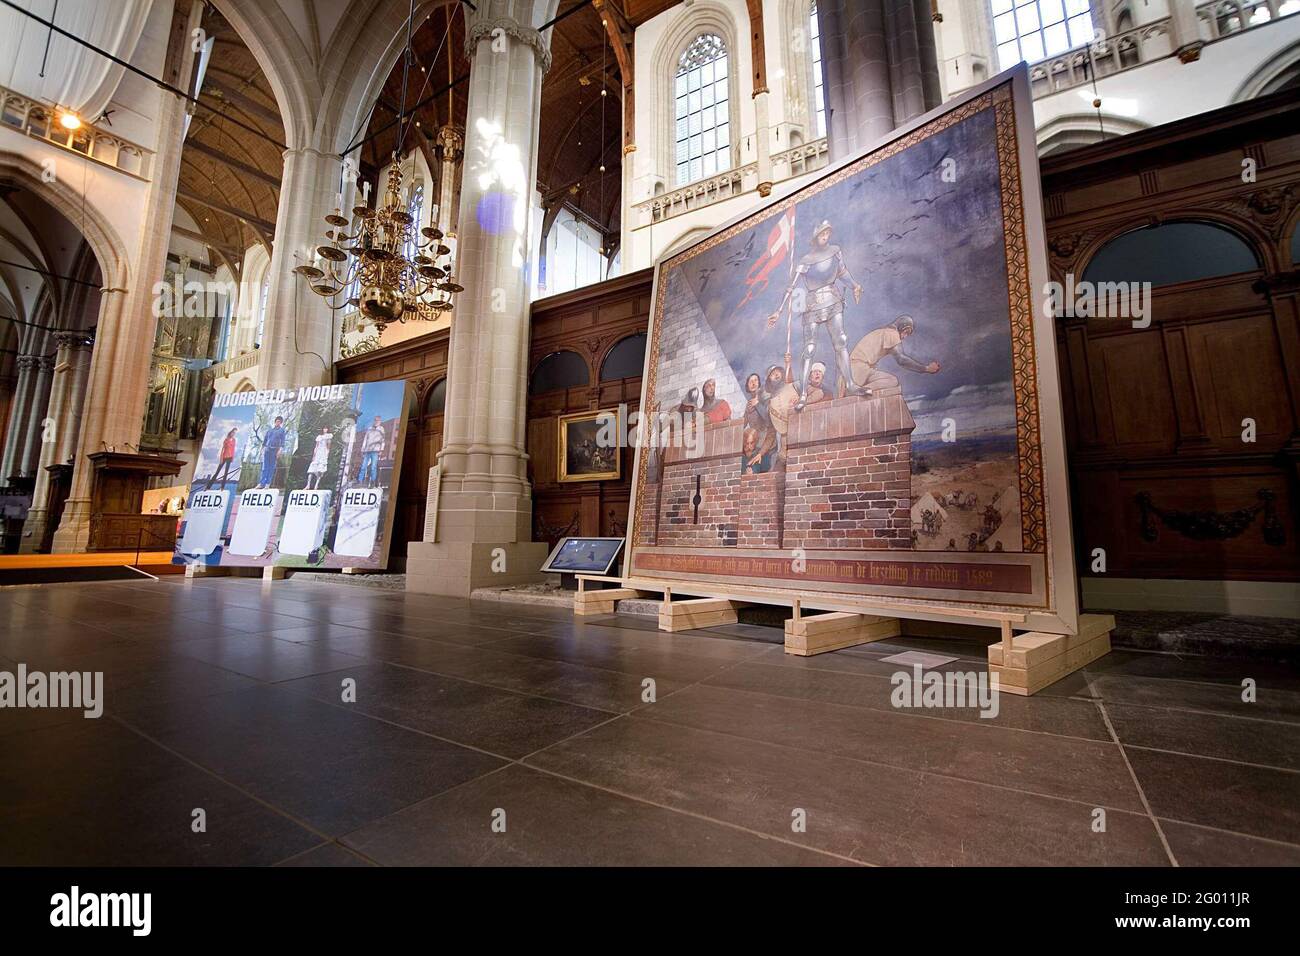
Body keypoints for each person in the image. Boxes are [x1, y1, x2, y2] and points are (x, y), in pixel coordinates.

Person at [766, 220, 865, 408]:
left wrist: (854, 285)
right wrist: (779, 311)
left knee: (841, 341)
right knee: (809, 349)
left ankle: (850, 384)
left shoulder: (835, 251)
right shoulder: (806, 260)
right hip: (812, 304)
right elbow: (792, 286)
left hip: (833, 298)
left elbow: (842, 272)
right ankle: (803, 394)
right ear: (815, 238)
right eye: (821, 234)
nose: (825, 237)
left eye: (827, 233)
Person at [848, 314, 941, 395]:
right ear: (902, 327)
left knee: (888, 382)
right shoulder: (892, 333)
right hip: (858, 369)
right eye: (906, 332)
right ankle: (855, 393)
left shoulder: (884, 332)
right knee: (892, 381)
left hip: (857, 370)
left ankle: (857, 391)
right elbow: (902, 360)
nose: (904, 337)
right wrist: (926, 368)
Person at [357, 415, 386, 487]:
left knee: (373, 467)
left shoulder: (381, 429)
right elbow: (365, 439)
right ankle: (360, 481)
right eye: (375, 420)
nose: (376, 421)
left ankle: (373, 481)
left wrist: (381, 449)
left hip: (375, 450)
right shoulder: (369, 429)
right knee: (363, 466)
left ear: (380, 422)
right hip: (367, 450)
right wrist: (362, 448)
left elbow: (383, 440)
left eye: (378, 420)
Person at [257, 416, 286, 488]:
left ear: (281, 423)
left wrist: (280, 451)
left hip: (275, 450)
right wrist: (262, 450)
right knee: (264, 467)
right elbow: (264, 441)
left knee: (271, 467)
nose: (278, 422)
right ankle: (261, 483)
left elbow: (282, 442)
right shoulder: (269, 430)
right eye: (277, 421)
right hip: (267, 450)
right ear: (275, 422)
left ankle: (267, 484)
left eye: (279, 422)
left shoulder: (282, 431)